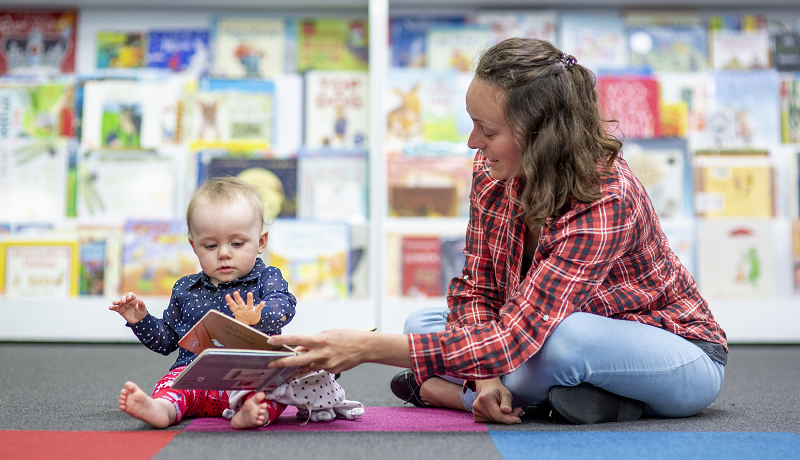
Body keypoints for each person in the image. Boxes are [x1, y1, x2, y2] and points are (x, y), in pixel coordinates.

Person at [265, 38, 727, 425]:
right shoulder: (492, 172)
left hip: (677, 350)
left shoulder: (605, 197)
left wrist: (366, 347)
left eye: (486, 129)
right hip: (530, 335)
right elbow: (476, 290)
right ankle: (574, 401)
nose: (472, 142)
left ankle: (453, 395)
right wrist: (485, 376)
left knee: (558, 346)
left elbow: (513, 339)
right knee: (422, 323)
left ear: (541, 135)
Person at [110, 176, 297, 429]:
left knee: (276, 391)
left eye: (237, 243)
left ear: (261, 242)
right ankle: (162, 409)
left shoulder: (266, 278)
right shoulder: (185, 288)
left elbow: (284, 305)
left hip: (248, 379)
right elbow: (167, 341)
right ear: (194, 246)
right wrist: (139, 320)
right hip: (196, 379)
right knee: (172, 384)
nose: (224, 253)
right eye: (210, 245)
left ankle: (248, 414)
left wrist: (258, 316)